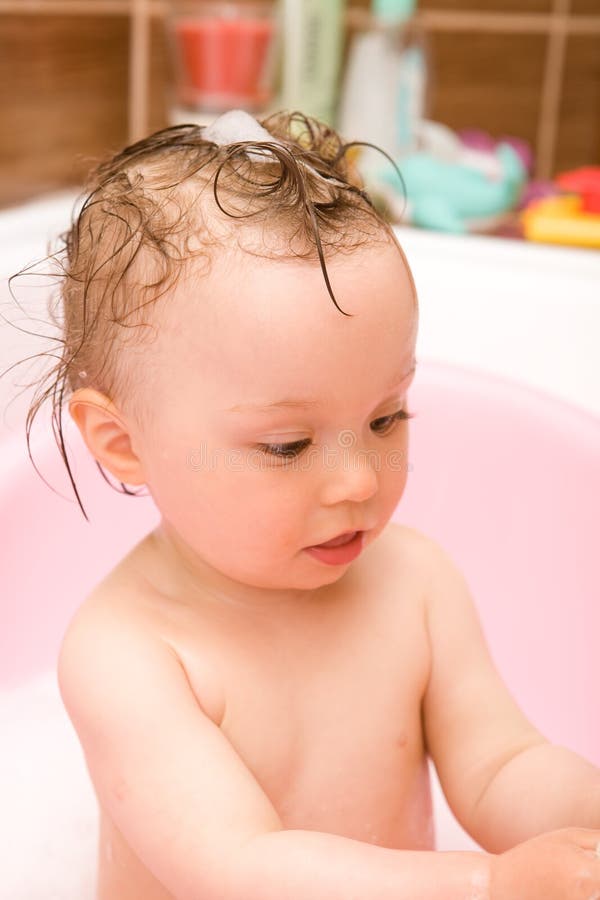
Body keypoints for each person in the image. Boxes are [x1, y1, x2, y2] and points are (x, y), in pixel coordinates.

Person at [33, 108, 599, 899]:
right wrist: (488, 886)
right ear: (123, 441)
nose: (358, 481)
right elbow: (241, 865)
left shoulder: (417, 585)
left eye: (385, 418)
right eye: (287, 447)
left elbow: (503, 766)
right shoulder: (128, 653)